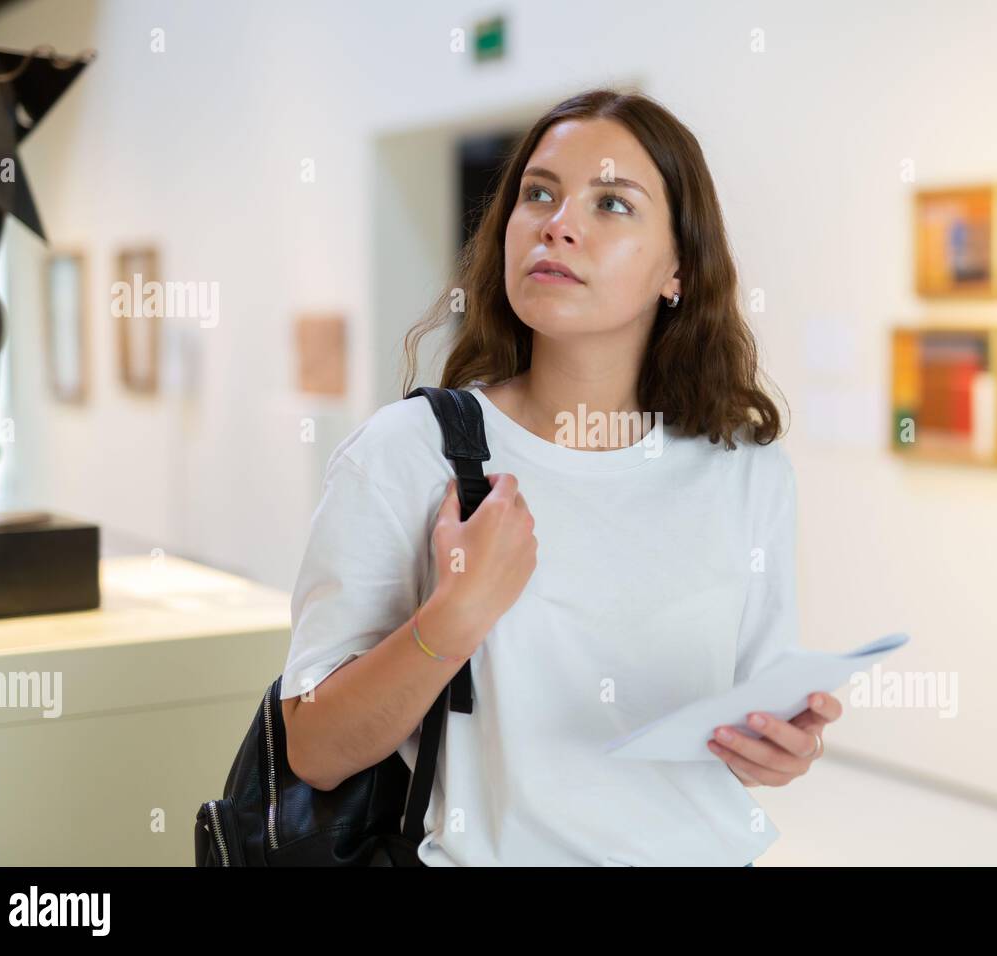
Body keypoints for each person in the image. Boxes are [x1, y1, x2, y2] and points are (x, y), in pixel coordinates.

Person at [279, 88, 843, 866]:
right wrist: (454, 616)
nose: (558, 222)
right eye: (538, 194)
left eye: (612, 203)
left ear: (677, 267)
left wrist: (779, 750)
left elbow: (751, 712)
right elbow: (313, 748)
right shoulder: (409, 453)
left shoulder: (746, 470)